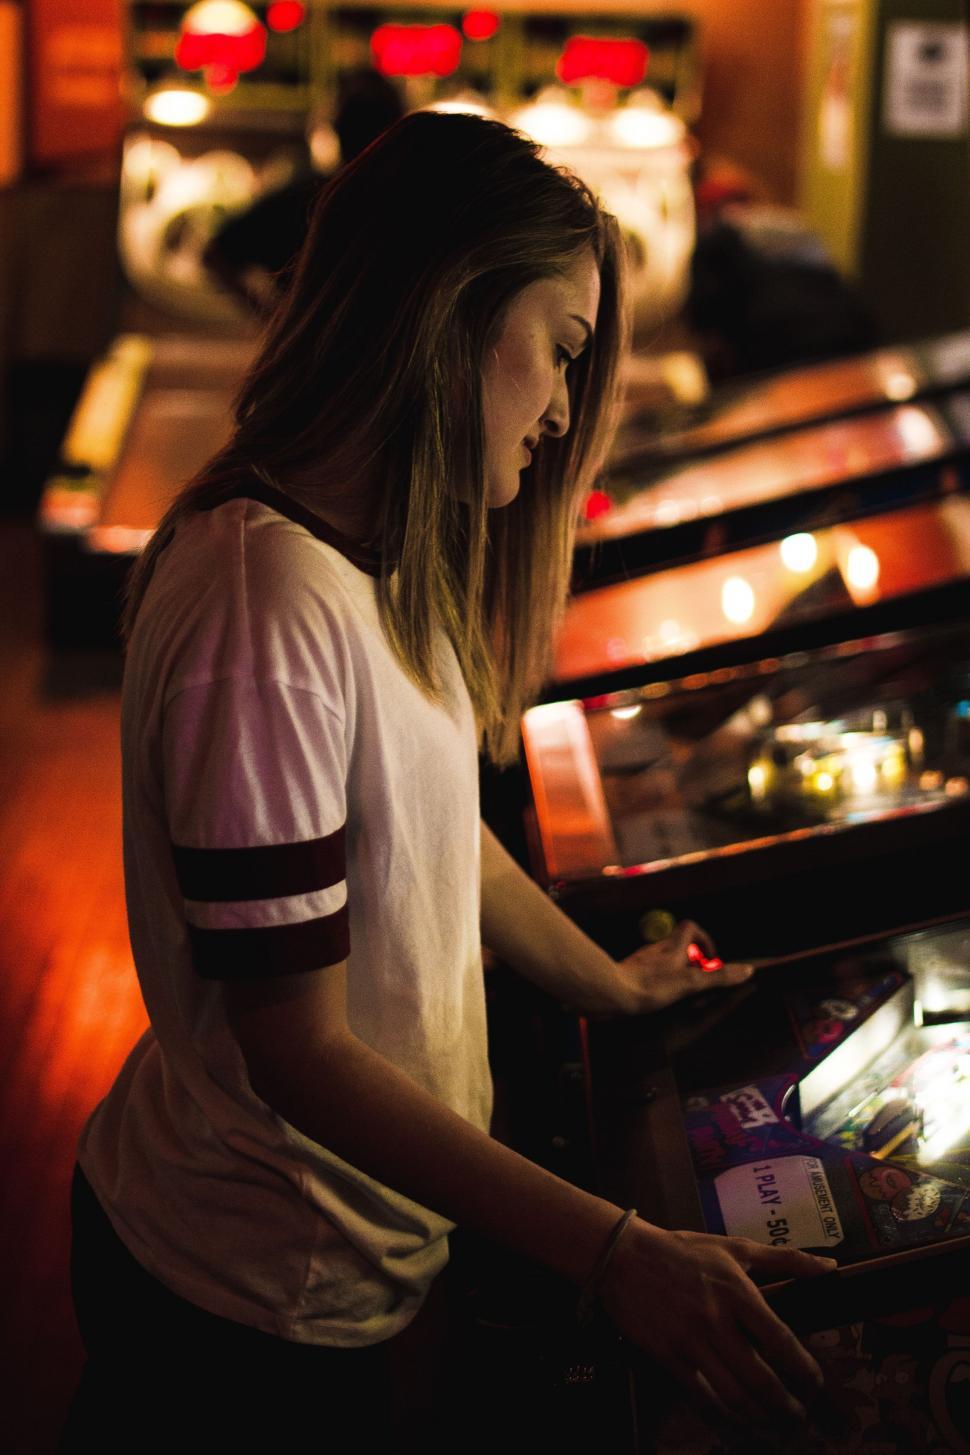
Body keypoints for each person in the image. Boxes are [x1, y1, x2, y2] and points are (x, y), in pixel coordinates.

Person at [61, 111, 835, 1451]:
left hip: (344, 1259)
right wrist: (614, 1251)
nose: (555, 410)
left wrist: (604, 978)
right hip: (240, 1289)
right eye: (559, 351)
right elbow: (296, 1049)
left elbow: (435, 833)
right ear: (443, 306)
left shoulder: (357, 554)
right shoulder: (267, 605)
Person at [202, 67, 405, 313]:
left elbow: (216, 254)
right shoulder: (408, 204)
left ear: (336, 132)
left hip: (315, 348)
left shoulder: (306, 197)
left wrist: (270, 316)